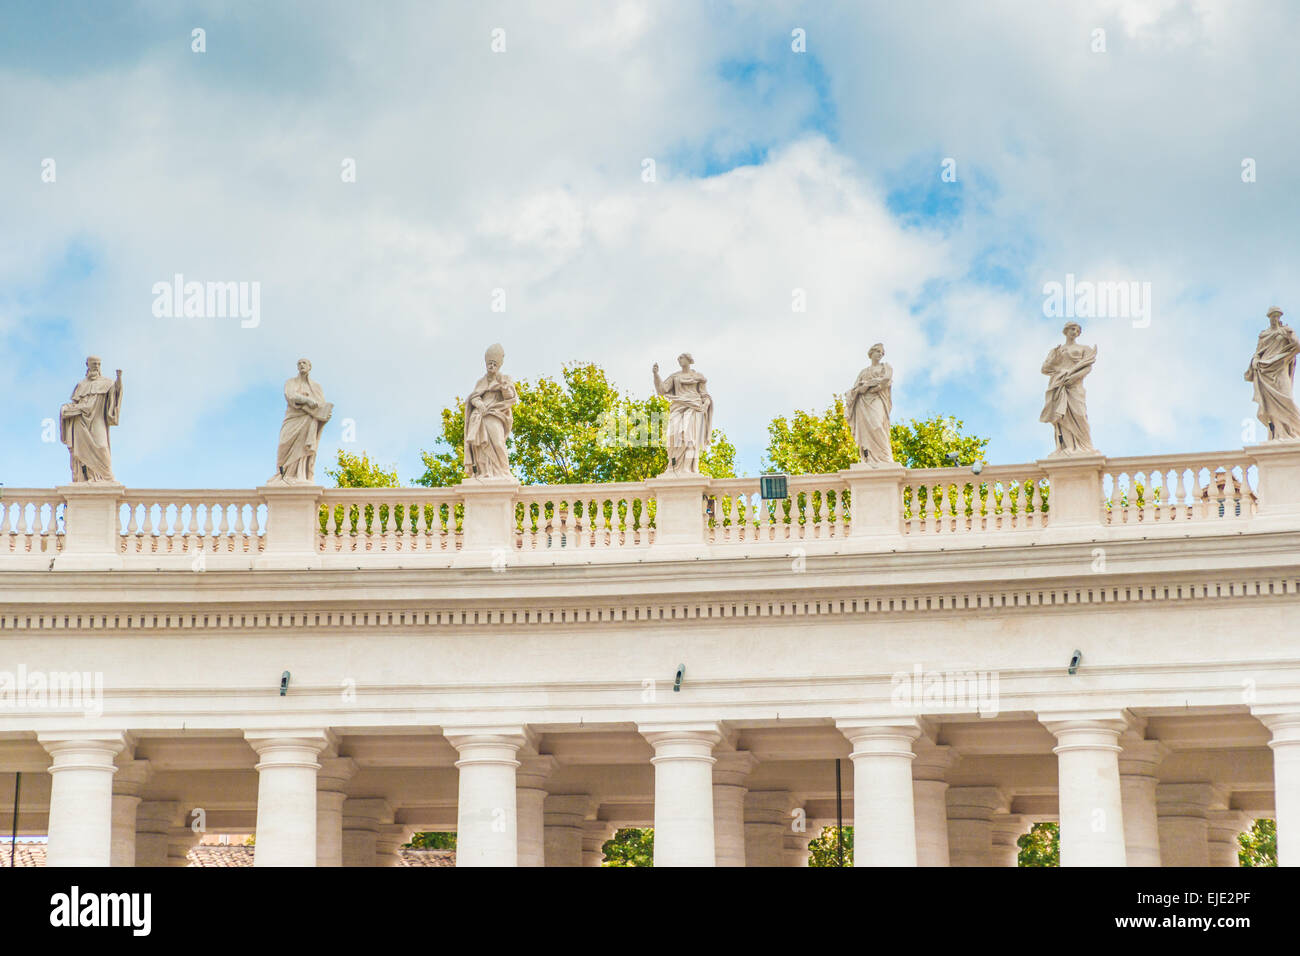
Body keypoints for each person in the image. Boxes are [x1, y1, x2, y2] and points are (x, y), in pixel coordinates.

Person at [60, 356, 122, 482]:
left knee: (102, 447)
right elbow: (75, 403)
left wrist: (119, 382)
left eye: (98, 364)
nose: (96, 366)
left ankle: (106, 478)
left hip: (97, 420)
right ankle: (86, 477)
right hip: (81, 422)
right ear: (87, 365)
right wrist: (67, 409)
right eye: (93, 364)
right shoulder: (81, 385)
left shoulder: (107, 383)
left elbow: (114, 398)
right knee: (82, 452)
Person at [1040, 322, 1097, 455]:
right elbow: (1045, 369)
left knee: (1079, 414)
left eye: (1077, 330)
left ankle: (1085, 446)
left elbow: (1087, 367)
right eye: (1072, 329)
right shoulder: (1057, 350)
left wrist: (1073, 377)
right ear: (1065, 331)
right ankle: (1067, 447)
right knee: (1062, 416)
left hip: (1075, 385)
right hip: (1058, 383)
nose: (1075, 332)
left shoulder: (1084, 349)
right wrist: (1054, 359)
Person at [1245, 307, 1300, 441]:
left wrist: (1290, 335)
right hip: (1265, 370)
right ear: (1269, 317)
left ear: (1280, 317)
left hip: (1279, 367)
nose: (1275, 318)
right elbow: (1258, 352)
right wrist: (1255, 361)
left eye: (1277, 316)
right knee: (1270, 405)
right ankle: (1279, 433)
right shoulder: (1264, 335)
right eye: (1272, 316)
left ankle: (1293, 430)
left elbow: (1297, 346)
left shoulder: (1286, 330)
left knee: (1287, 399)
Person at [273, 358, 332, 483]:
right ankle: (283, 475)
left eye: (304, 363)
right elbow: (290, 396)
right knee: (284, 444)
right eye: (299, 363)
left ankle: (301, 475)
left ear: (310, 366)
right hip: (293, 418)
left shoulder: (316, 386)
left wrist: (325, 414)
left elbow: (321, 406)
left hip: (309, 420)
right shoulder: (291, 382)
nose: (301, 365)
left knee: (305, 447)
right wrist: (307, 400)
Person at [653, 353, 713, 475]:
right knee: (673, 437)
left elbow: (705, 395)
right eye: (678, 358)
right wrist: (656, 375)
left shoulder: (698, 377)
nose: (679, 360)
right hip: (678, 407)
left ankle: (687, 469)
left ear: (689, 360)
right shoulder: (675, 377)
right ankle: (673, 467)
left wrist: (706, 404)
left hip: (694, 408)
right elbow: (662, 390)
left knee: (689, 438)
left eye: (682, 358)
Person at [464, 343, 517, 478]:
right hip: (480, 415)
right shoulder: (481, 381)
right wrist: (479, 403)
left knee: (498, 443)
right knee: (481, 445)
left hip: (494, 414)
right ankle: (485, 471)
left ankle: (504, 472)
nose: (491, 366)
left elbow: (510, 397)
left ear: (498, 365)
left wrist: (504, 388)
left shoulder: (504, 379)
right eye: (489, 363)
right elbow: (473, 397)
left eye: (494, 363)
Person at [847, 343, 894, 465]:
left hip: (878, 399)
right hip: (863, 402)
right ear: (871, 353)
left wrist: (870, 385)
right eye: (878, 351)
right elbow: (856, 388)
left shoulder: (885, 367)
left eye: (882, 352)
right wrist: (860, 389)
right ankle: (869, 458)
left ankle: (885, 456)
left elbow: (887, 380)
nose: (880, 354)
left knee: (878, 425)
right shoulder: (864, 372)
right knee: (866, 430)